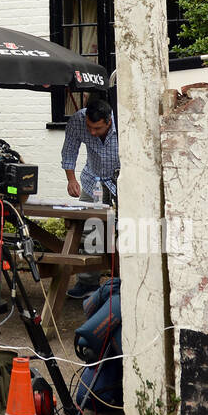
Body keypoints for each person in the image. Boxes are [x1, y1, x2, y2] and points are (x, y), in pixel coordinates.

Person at [61, 96, 119, 298]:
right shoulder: (78, 120)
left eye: (98, 129)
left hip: (121, 182)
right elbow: (70, 149)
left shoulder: (123, 121)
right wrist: (71, 179)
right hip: (91, 179)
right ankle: (87, 283)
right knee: (90, 230)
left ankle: (123, 281)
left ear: (109, 121)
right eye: (90, 128)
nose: (92, 132)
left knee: (123, 230)